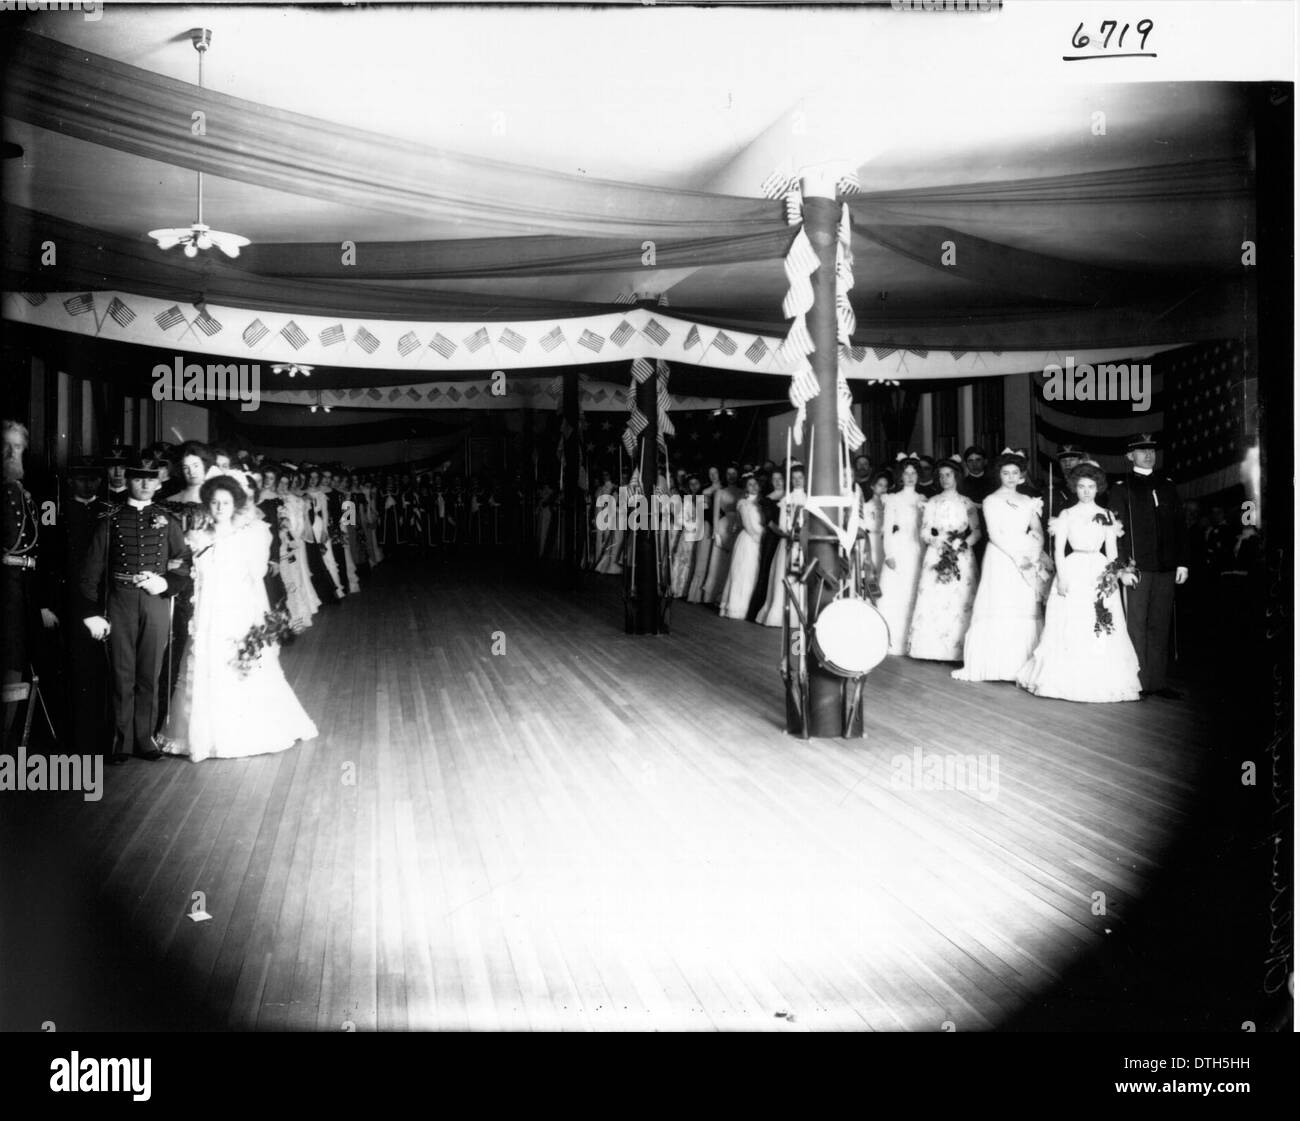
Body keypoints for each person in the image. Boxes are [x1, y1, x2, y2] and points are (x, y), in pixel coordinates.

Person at [161, 476, 317, 762]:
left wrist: (259, 620)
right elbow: (189, 572)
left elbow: (254, 580)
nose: (219, 507)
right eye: (215, 502)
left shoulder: (249, 535)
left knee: (240, 667)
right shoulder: (197, 535)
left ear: (235, 505)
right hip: (207, 611)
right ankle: (202, 738)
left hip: (237, 611)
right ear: (208, 504)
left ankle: (243, 733)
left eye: (226, 502)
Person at [79, 455, 189, 764]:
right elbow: (91, 571)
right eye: (138, 478)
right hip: (120, 601)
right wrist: (92, 612)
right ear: (128, 480)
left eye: (150, 478)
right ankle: (120, 741)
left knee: (150, 673)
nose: (144, 484)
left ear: (159, 482)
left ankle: (145, 739)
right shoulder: (111, 520)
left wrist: (165, 583)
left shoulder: (169, 521)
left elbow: (183, 565)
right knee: (121, 673)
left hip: (155, 603)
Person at [1016, 461, 1142, 702]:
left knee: (1101, 622)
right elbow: (1060, 552)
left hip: (1099, 571)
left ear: (1098, 488)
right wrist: (1062, 579)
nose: (1086, 491)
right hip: (1073, 570)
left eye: (1091, 486)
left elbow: (1113, 553)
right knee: (1072, 622)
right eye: (1082, 486)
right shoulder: (1067, 514)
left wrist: (1118, 574)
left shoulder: (1106, 515)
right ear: (1075, 487)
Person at [1104, 433, 1189, 698]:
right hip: (1136, 568)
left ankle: (1157, 682)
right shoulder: (1121, 488)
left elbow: (1179, 527)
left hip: (1165, 566)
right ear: (1130, 456)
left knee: (1160, 624)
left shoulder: (1167, 485)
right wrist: (1121, 568)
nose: (1148, 454)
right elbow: (1116, 532)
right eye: (1141, 450)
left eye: (1151, 450)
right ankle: (1137, 682)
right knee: (1136, 625)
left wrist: (1182, 562)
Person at [952, 448, 1048, 683]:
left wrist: (1033, 552)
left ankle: (1021, 665)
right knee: (1001, 602)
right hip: (1002, 558)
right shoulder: (991, 500)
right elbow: (995, 534)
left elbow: (1037, 530)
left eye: (1015, 472)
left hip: (1025, 555)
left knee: (1022, 605)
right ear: (1000, 475)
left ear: (1021, 475)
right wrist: (1020, 557)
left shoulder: (1028, 500)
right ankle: (994, 665)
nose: (1012, 477)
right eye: (1006, 473)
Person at [3, 420, 59, 744]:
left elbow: (36, 553)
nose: (11, 453)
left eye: (18, 446)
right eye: (5, 446)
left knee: (16, 665)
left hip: (21, 591)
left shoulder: (25, 492)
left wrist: (40, 602)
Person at [57, 456, 114, 754]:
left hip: (101, 601)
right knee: (73, 671)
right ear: (70, 482)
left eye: (93, 479)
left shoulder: (108, 512)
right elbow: (49, 562)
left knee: (100, 672)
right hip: (68, 602)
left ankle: (100, 740)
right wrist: (47, 604)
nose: (88, 484)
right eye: (81, 479)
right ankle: (75, 742)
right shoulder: (56, 512)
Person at [907, 457, 982, 661]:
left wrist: (963, 543)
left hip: (961, 555)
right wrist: (938, 541)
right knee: (936, 596)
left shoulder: (966, 503)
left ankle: (957, 650)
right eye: (941, 475)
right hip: (937, 552)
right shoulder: (932, 502)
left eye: (948, 475)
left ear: (956, 476)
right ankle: (931, 649)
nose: (944, 479)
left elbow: (976, 532)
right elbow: (924, 531)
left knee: (960, 597)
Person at [877, 453, 927, 655]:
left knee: (912, 590)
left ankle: (910, 641)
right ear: (900, 476)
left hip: (917, 547)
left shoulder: (923, 499)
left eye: (914, 473)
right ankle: (890, 639)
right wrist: (889, 554)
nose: (910, 477)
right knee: (894, 592)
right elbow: (887, 529)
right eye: (906, 473)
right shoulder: (892, 499)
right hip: (898, 546)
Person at [757, 463, 806, 627]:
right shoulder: (787, 499)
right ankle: (779, 615)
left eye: (800, 477)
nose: (797, 481)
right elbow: (782, 525)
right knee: (784, 577)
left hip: (804, 543)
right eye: (794, 478)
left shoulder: (809, 498)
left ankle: (800, 613)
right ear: (790, 480)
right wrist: (791, 533)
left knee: (801, 578)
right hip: (788, 541)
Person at [718, 474, 764, 619]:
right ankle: (737, 608)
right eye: (750, 484)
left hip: (760, 539)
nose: (754, 487)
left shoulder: (763, 502)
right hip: (749, 540)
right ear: (745, 487)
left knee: (755, 573)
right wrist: (759, 538)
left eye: (756, 484)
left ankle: (752, 608)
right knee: (744, 572)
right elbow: (748, 525)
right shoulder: (743, 503)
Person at [747, 474, 784, 621]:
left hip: (787, 537)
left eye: (780, 479)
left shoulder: (790, 495)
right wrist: (784, 534)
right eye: (773, 479)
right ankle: (760, 609)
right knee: (766, 570)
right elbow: (768, 522)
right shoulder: (766, 499)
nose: (777, 482)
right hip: (773, 536)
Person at [685, 466, 720, 603]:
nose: (713, 476)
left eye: (715, 472)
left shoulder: (726, 489)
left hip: (721, 528)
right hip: (707, 526)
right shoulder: (706, 491)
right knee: (702, 558)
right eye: (710, 473)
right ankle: (697, 594)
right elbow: (702, 512)